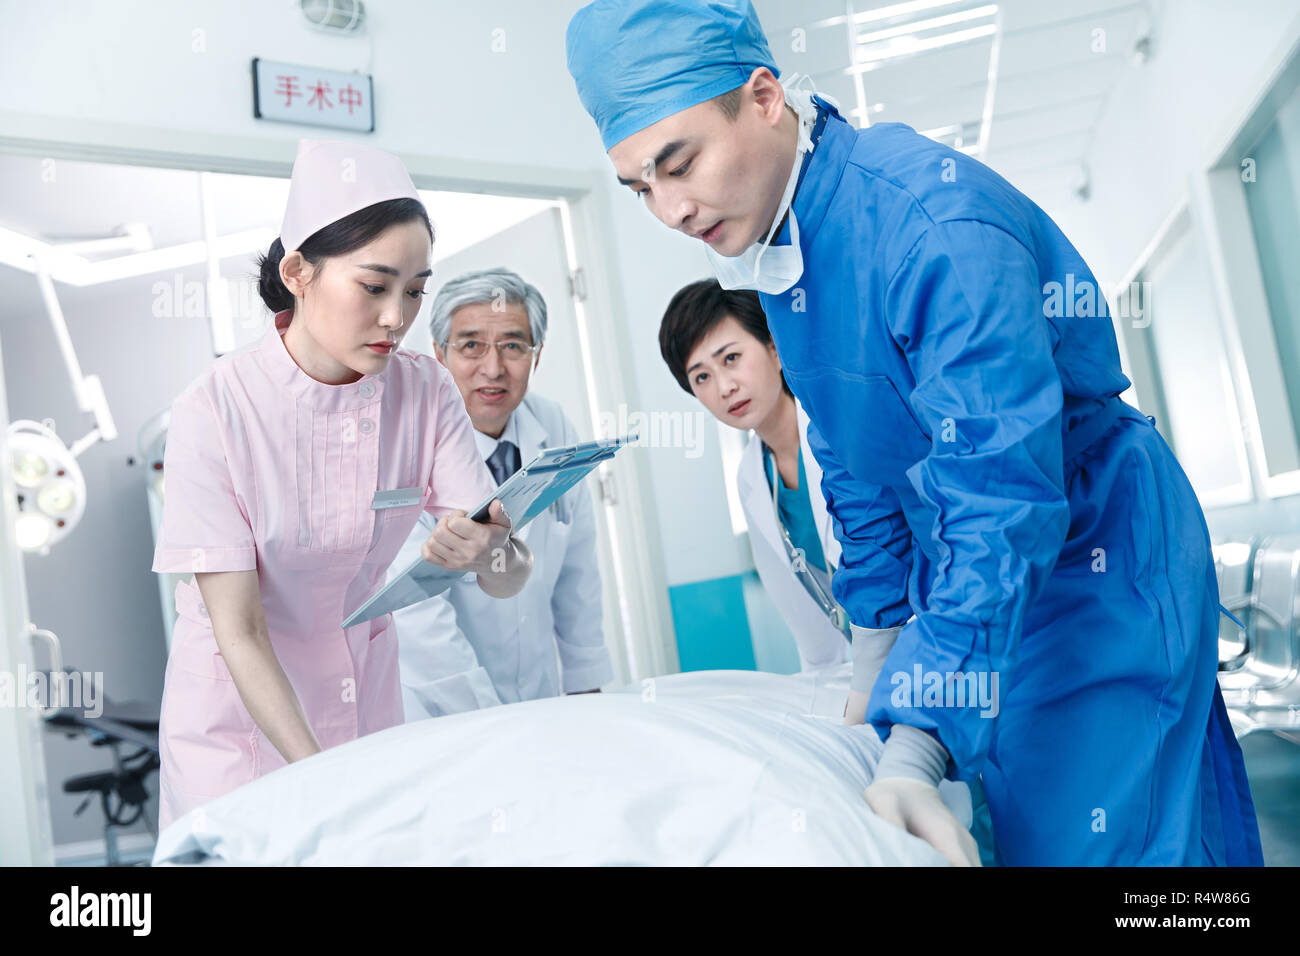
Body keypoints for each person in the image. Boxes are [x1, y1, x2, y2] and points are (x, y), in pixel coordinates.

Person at [566, 0, 1262, 866]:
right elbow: (854, 454)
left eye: (679, 165)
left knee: (1115, 833)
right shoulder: (787, 250)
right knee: (1023, 817)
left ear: (764, 97)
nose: (668, 209)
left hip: (1092, 552)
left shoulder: (935, 229)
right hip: (984, 577)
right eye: (640, 189)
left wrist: (921, 729)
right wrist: (877, 647)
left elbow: (1000, 487)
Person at [150, 141, 533, 830]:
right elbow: (239, 627)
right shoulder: (215, 411)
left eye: (415, 291)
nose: (398, 316)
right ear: (298, 273)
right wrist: (324, 774)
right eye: (374, 286)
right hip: (240, 726)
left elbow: (504, 568)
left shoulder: (423, 391)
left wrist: (489, 549)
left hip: (371, 704)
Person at [391, 268, 613, 716]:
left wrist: (586, 692)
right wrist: (491, 720)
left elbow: (578, 576)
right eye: (471, 345)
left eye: (513, 346)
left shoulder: (552, 426)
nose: (492, 369)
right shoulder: (403, 450)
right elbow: (418, 614)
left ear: (537, 355)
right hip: (448, 714)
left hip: (543, 702)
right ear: (439, 354)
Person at [660, 279, 849, 672]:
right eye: (702, 377)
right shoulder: (752, 478)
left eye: (730, 358)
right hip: (856, 667)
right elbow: (808, 624)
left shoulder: (839, 431)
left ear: (775, 349)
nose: (725, 387)